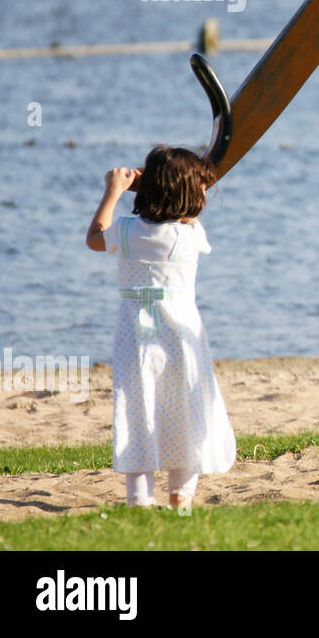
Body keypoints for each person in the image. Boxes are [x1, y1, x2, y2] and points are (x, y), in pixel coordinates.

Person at [85, 146, 236, 510]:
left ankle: (138, 500)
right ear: (189, 195)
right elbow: (181, 211)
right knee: (186, 411)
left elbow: (94, 237)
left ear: (148, 188)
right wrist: (153, 183)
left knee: (138, 410)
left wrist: (115, 191)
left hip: (135, 338)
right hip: (182, 337)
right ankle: (180, 499)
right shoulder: (190, 235)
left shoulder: (124, 230)